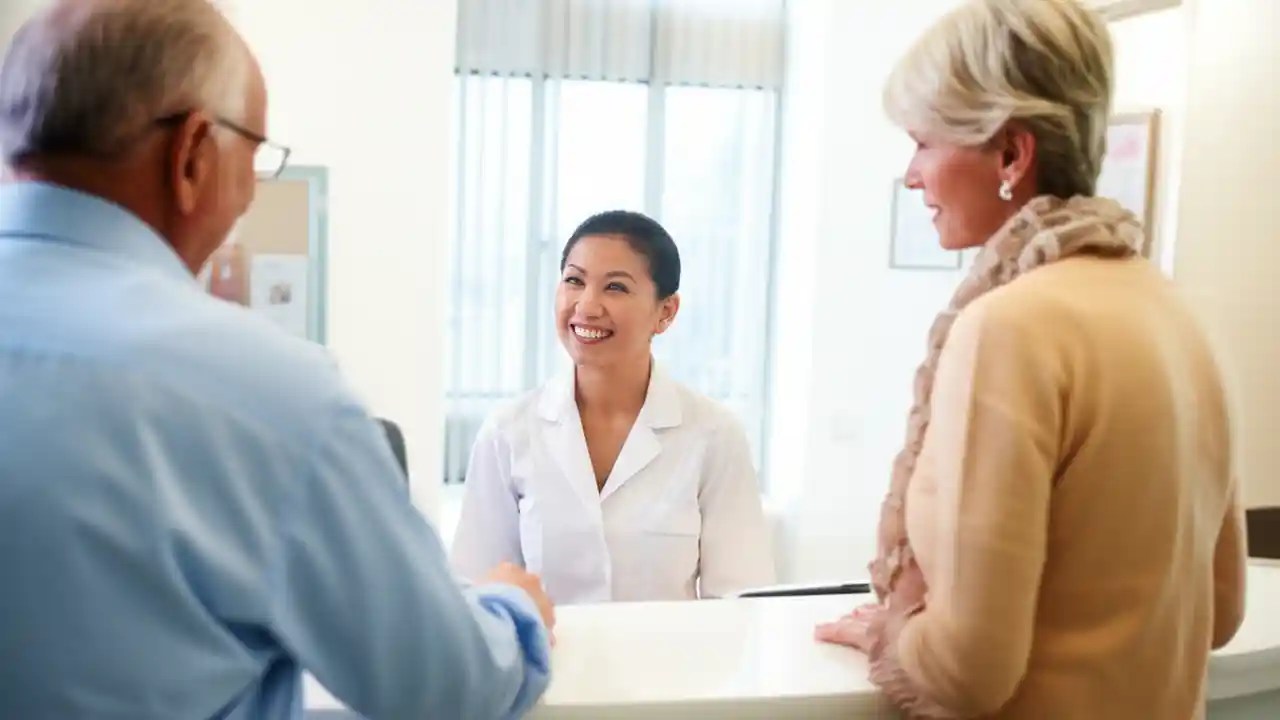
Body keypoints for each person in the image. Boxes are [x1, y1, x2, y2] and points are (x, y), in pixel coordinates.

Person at [0, 2, 554, 719]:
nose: (254, 188)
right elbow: (444, 686)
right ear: (193, 154)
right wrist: (516, 610)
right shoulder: (268, 395)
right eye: (255, 152)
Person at [813, 1, 1247, 718]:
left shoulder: (1007, 328)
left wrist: (896, 629)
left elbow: (969, 670)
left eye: (922, 143)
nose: (911, 176)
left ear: (1011, 154)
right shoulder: (1179, 315)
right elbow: (1222, 610)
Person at [451, 210, 775, 603]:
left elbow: (740, 599)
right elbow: (478, 592)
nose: (586, 306)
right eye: (574, 281)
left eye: (616, 288)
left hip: (674, 664)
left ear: (666, 312)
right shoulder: (508, 432)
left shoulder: (713, 434)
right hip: (550, 662)